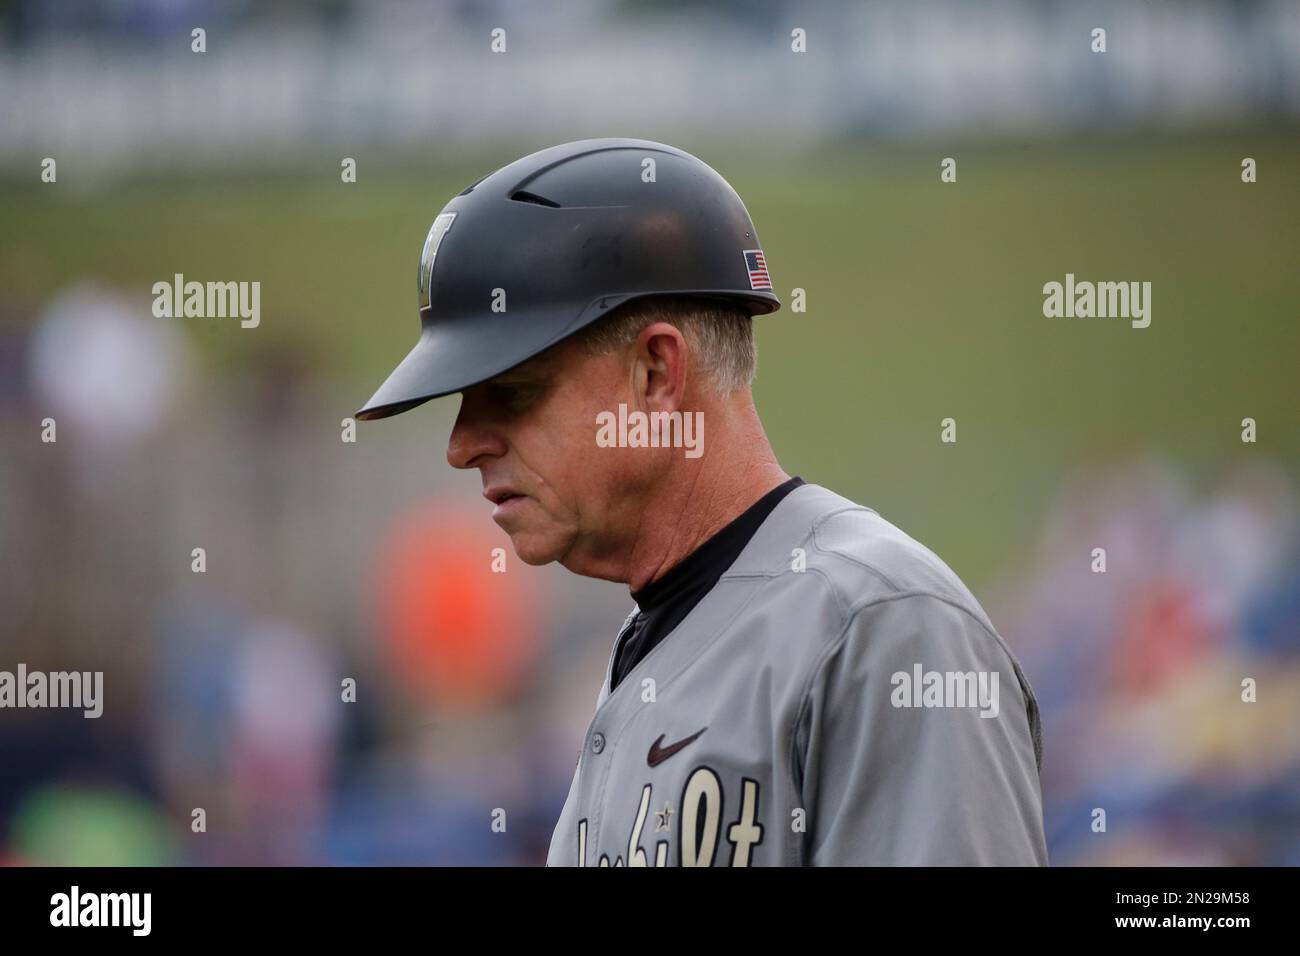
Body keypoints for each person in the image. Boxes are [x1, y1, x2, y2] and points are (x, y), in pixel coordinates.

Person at [357, 138, 1047, 866]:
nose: (462, 445)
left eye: (512, 395)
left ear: (656, 375)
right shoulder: (653, 639)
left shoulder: (884, 628)